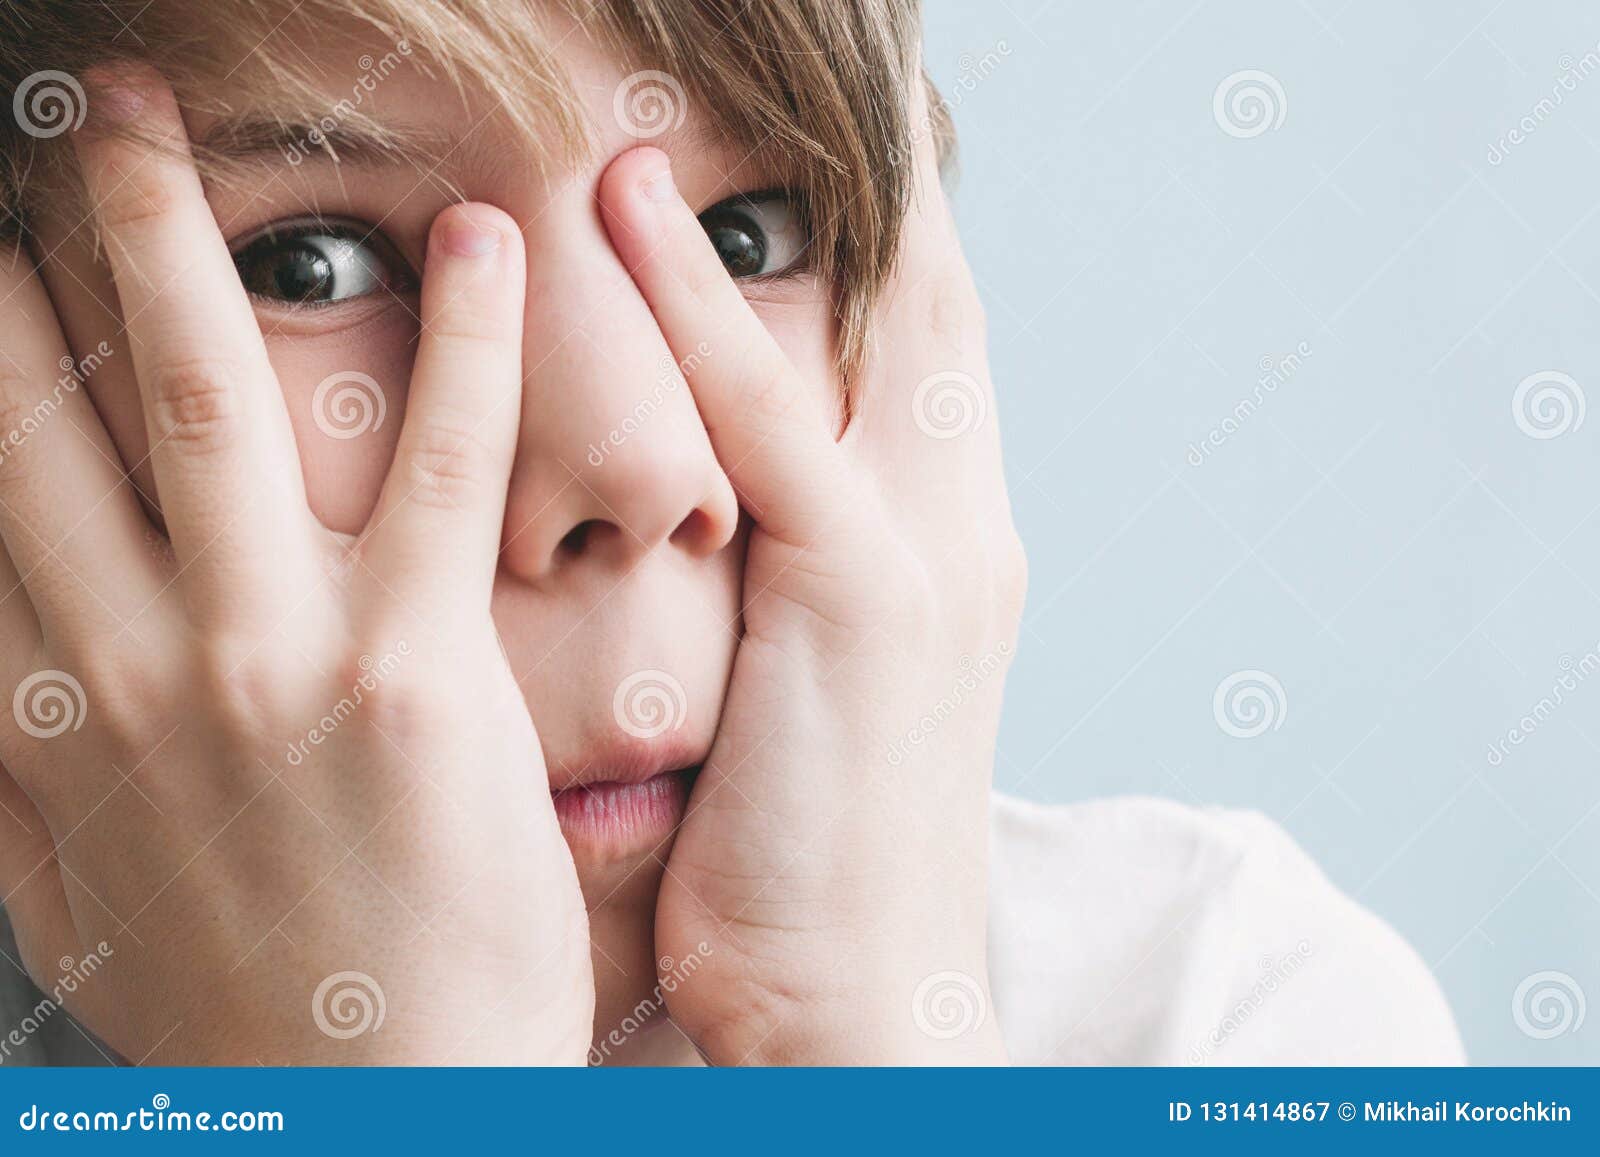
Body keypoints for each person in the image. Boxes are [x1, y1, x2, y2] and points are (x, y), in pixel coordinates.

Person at [0, 0, 1462, 1065]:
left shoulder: (1227, 1010)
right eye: (312, 262)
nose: (637, 461)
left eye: (748, 234)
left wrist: (866, 1042)